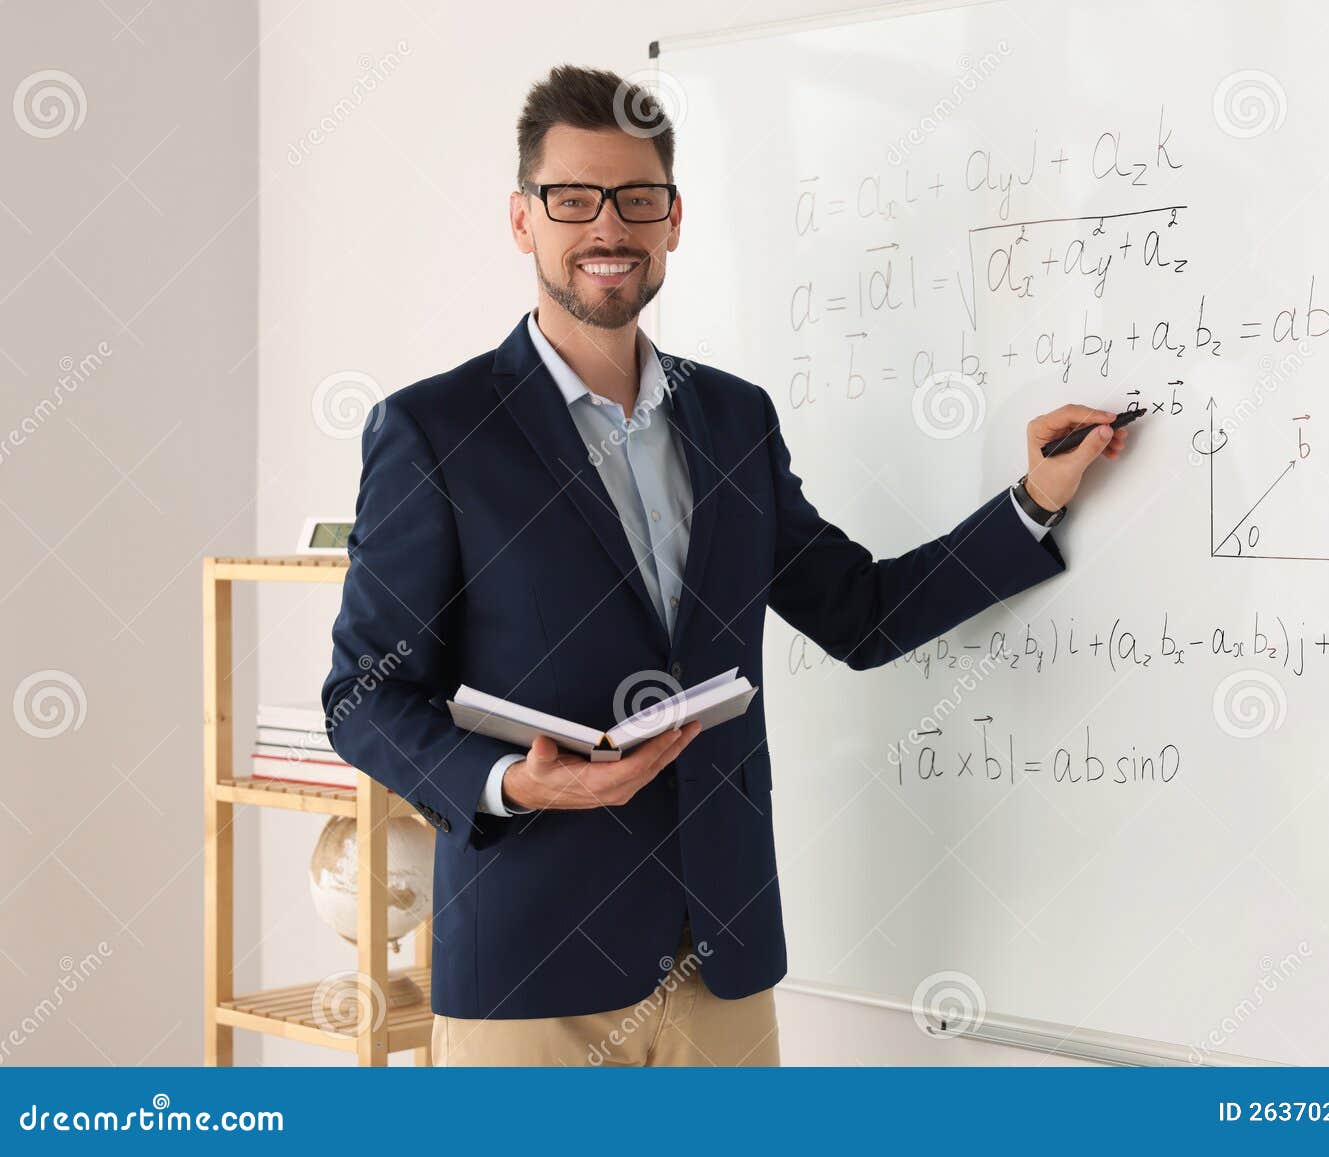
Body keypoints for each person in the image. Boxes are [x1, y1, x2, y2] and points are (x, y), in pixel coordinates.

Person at [320, 64, 1129, 1067]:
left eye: (637, 199)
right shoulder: (434, 429)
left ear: (673, 220)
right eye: (573, 198)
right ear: (523, 220)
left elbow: (859, 612)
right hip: (531, 973)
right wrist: (514, 786)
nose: (607, 227)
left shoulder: (734, 418)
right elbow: (362, 696)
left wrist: (1032, 502)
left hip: (720, 964)